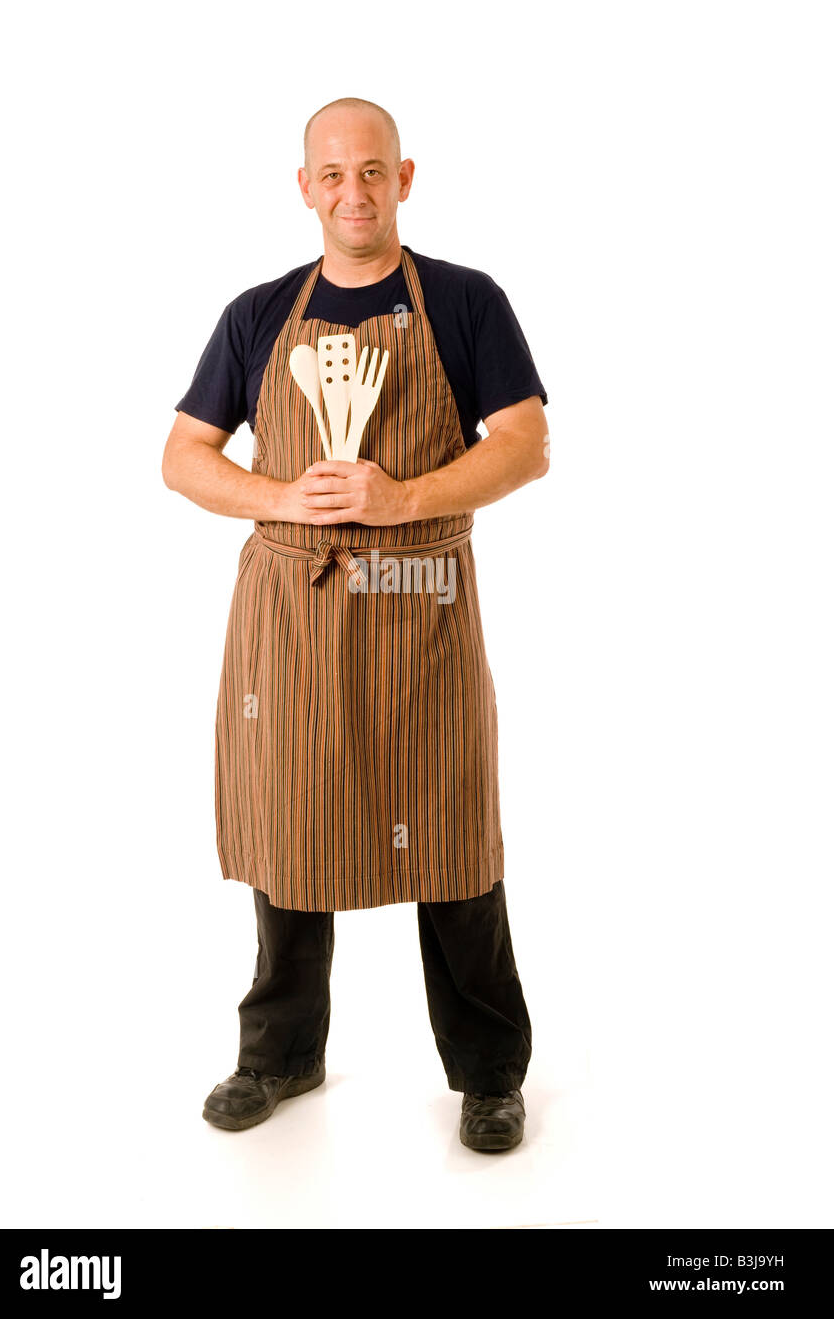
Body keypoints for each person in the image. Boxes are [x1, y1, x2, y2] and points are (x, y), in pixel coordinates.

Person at [162, 96, 550, 1152]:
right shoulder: (256, 316)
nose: (354, 191)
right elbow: (184, 455)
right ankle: (279, 1055)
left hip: (420, 608)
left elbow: (525, 444)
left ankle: (489, 1073)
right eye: (332, 174)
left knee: (452, 831)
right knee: (291, 826)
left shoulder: (467, 304)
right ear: (305, 188)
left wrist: (398, 499)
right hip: (290, 618)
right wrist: (287, 497)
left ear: (405, 178)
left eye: (372, 171)